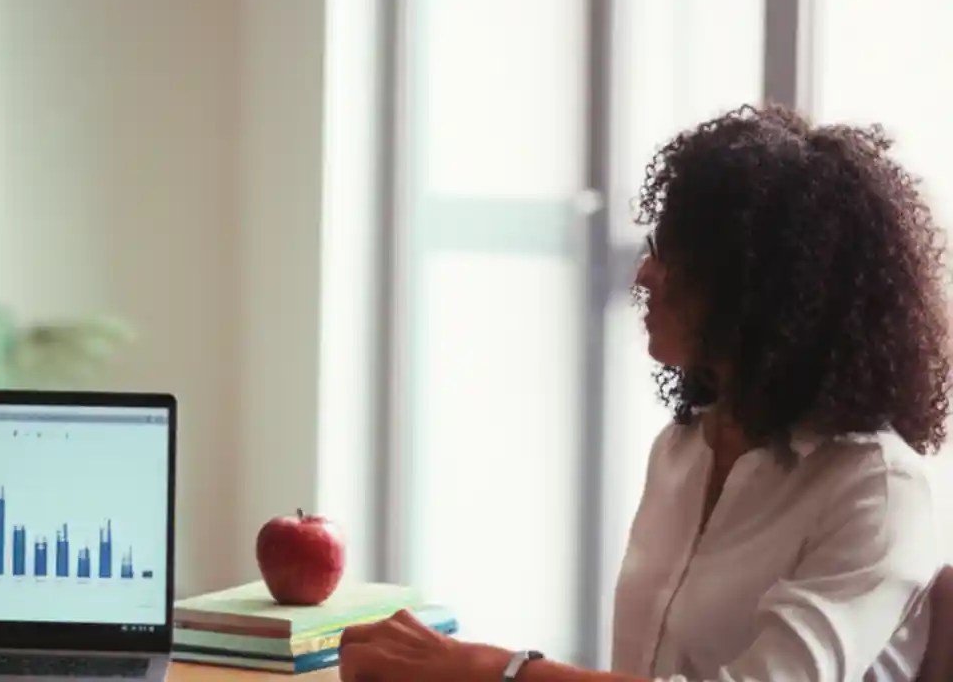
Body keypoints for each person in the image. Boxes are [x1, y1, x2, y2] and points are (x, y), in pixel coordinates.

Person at [339, 105, 948, 682]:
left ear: (765, 290)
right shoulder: (683, 448)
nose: (644, 274)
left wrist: (489, 670)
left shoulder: (876, 488)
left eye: (675, 255)